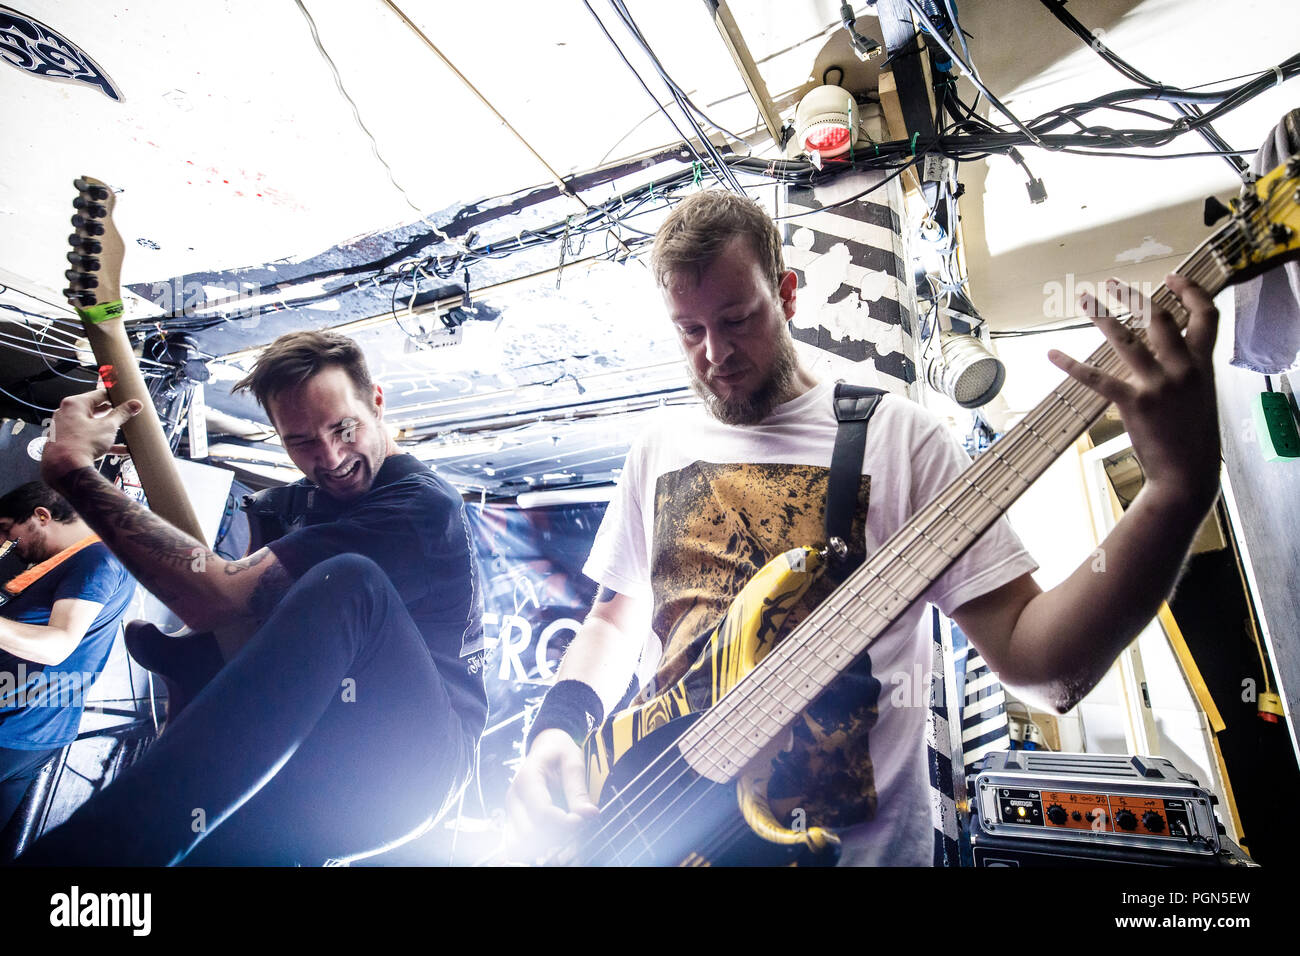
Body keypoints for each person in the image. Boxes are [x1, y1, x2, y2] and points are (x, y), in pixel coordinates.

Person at [505, 190, 1223, 865]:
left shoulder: (898, 441)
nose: (715, 355)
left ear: (786, 295)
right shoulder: (656, 448)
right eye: (690, 331)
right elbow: (613, 618)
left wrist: (1174, 491)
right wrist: (558, 725)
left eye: (737, 318)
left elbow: (1041, 667)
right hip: (650, 815)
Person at [19, 330, 486, 865]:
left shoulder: (418, 509)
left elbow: (213, 594)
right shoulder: (292, 506)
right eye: (301, 441)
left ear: (376, 402)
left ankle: (92, 857)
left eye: (344, 428)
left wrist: (75, 474)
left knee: (350, 583)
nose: (330, 457)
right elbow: (230, 624)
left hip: (413, 765)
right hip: (308, 766)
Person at [0, 481, 135, 836]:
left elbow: (58, 644)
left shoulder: (98, 558)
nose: (6, 545)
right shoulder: (72, 562)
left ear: (41, 516)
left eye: (7, 531)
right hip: (23, 727)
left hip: (16, 726)